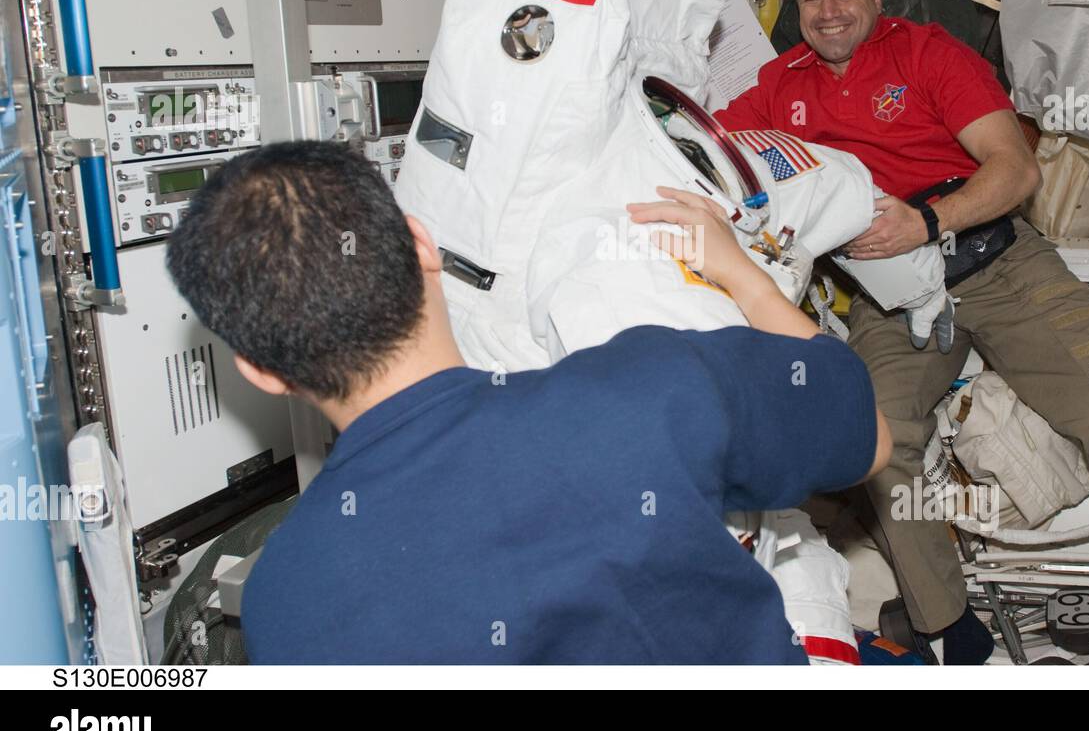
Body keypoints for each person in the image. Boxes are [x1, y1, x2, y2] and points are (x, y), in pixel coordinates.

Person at [713, 0, 1089, 665]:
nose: (830, 12)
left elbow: (1014, 172)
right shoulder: (779, 83)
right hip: (888, 297)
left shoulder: (928, 54)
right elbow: (711, 141)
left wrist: (927, 221)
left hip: (994, 261)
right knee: (874, 437)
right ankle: (948, 620)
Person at [164, 141, 891, 664]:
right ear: (423, 244)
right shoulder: (652, 388)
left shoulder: (286, 599)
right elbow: (868, 434)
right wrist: (744, 276)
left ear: (259, 369)